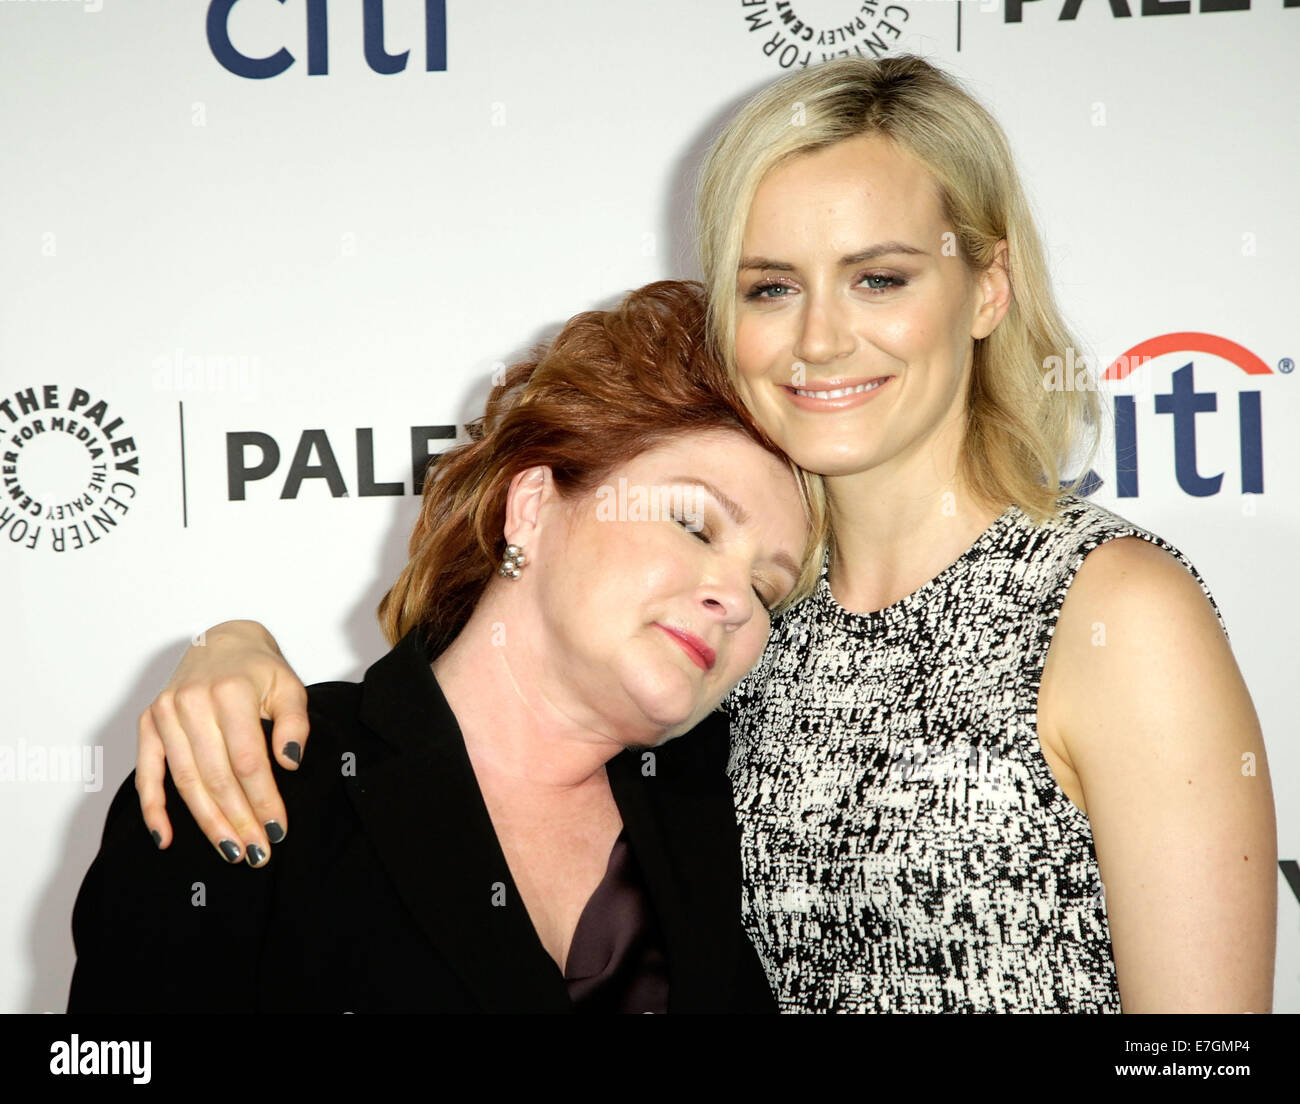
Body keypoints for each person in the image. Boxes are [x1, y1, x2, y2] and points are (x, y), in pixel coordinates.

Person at [128, 56, 1276, 1013]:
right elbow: (488, 699)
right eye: (771, 287)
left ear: (986, 289)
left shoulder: (1111, 610)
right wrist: (231, 647)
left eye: (877, 278)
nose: (821, 339)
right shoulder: (739, 649)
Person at [67, 280, 825, 1013]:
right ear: (530, 508)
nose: (733, 600)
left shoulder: (732, 805)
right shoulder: (251, 781)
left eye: (767, 589)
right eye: (694, 524)